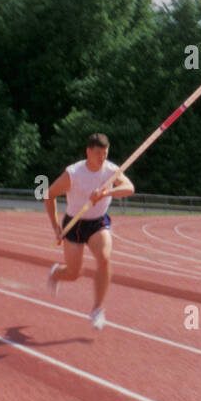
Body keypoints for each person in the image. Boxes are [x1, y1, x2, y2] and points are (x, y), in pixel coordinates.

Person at [44, 133, 134, 329]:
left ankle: (97, 309)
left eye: (105, 153)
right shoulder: (74, 173)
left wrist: (106, 192)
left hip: (98, 223)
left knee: (104, 258)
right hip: (74, 224)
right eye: (97, 153)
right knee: (74, 273)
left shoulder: (111, 170)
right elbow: (49, 195)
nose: (102, 157)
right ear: (88, 152)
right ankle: (57, 273)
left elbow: (129, 188)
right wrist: (55, 227)